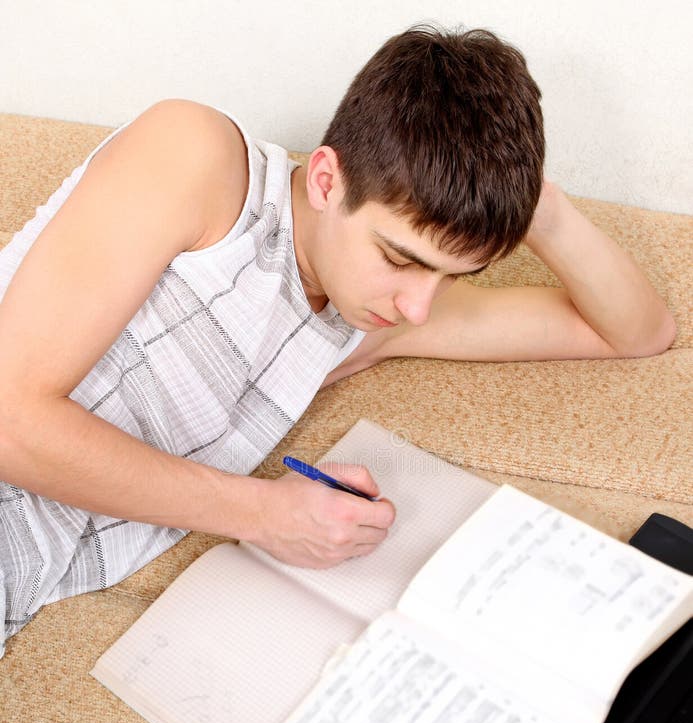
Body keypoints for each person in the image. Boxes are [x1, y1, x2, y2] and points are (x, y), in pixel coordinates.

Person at [0, 26, 675, 652]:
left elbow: (636, 333)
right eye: (399, 257)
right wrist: (262, 513)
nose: (418, 307)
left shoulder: (369, 318)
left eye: (450, 276)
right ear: (326, 180)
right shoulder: (197, 157)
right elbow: (10, 418)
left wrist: (541, 213)